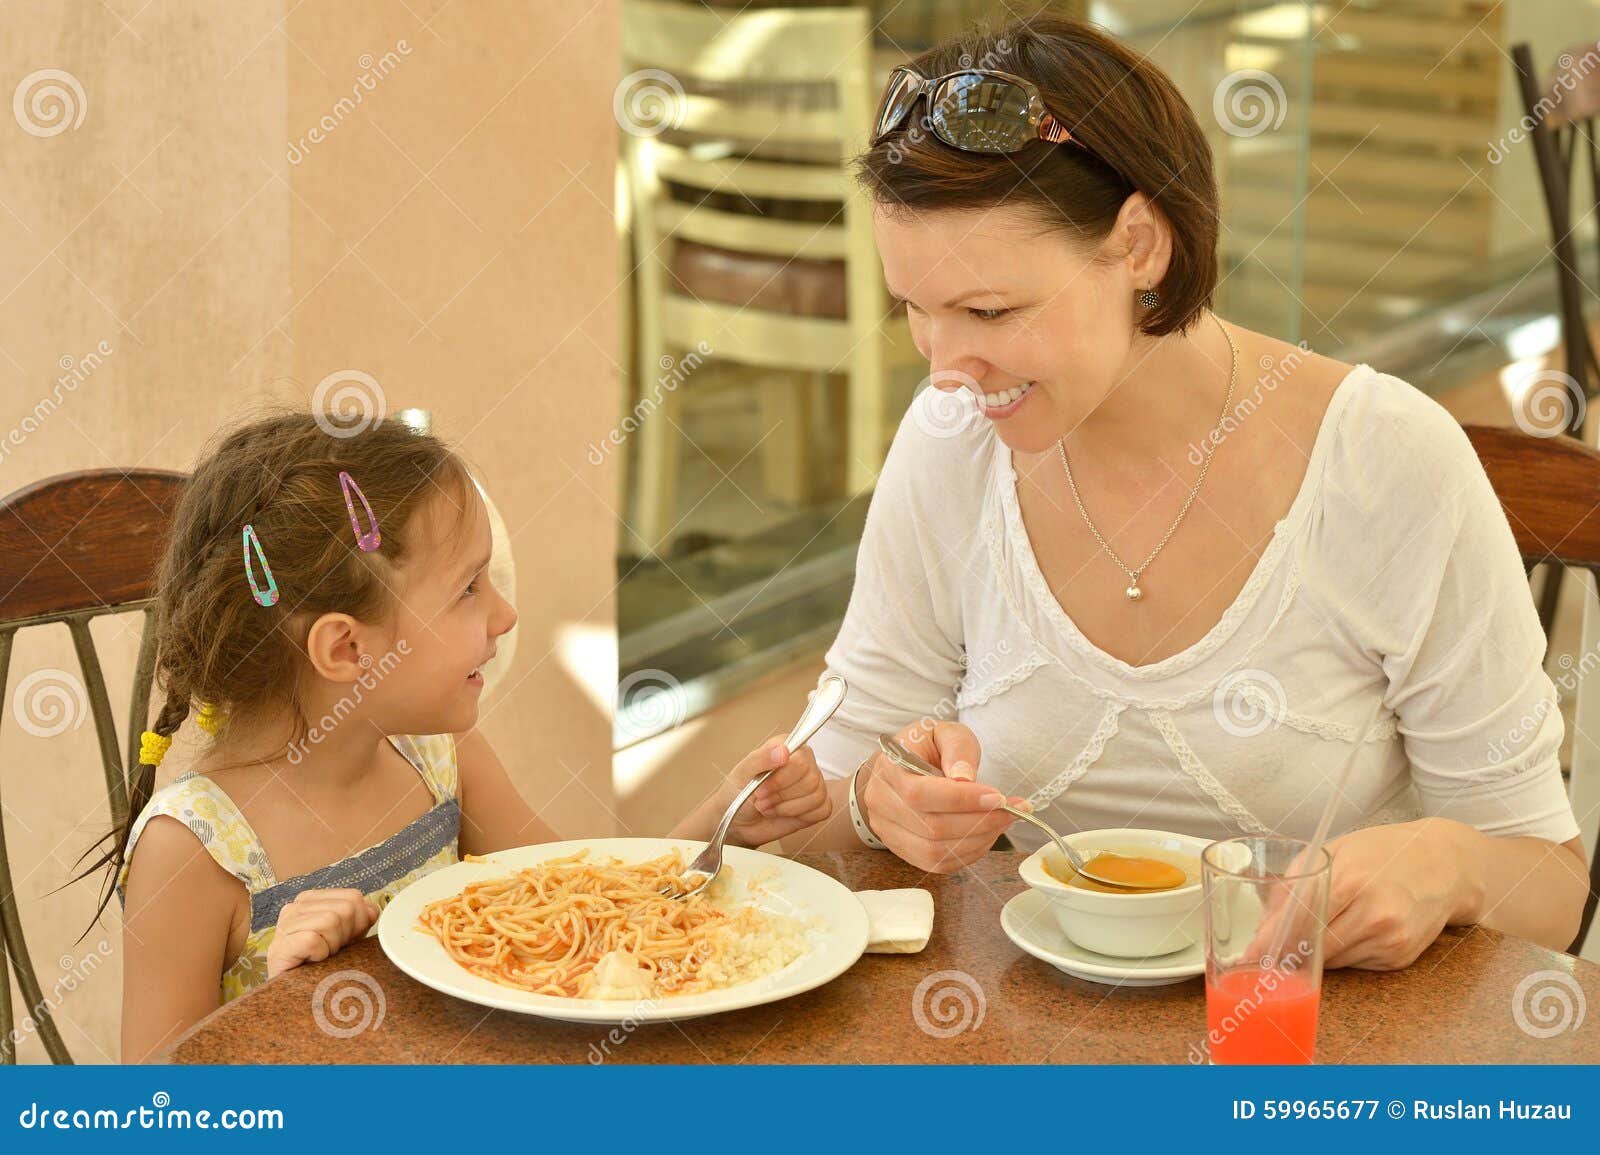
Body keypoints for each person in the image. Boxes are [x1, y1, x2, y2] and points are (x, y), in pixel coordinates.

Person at [789, 14, 1589, 969]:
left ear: (1139, 246)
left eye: (990, 310)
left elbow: (1551, 886)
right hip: (1037, 1047)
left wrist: (1451, 859)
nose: (947, 368)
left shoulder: (1387, 458)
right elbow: (825, 788)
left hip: (1321, 1055)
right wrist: (880, 804)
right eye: (915, 311)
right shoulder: (953, 443)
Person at [88, 412, 829, 1061]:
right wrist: (282, 1009)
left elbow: (590, 912)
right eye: (470, 587)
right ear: (346, 649)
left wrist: (728, 823)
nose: (504, 615)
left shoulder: (437, 757)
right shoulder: (195, 852)